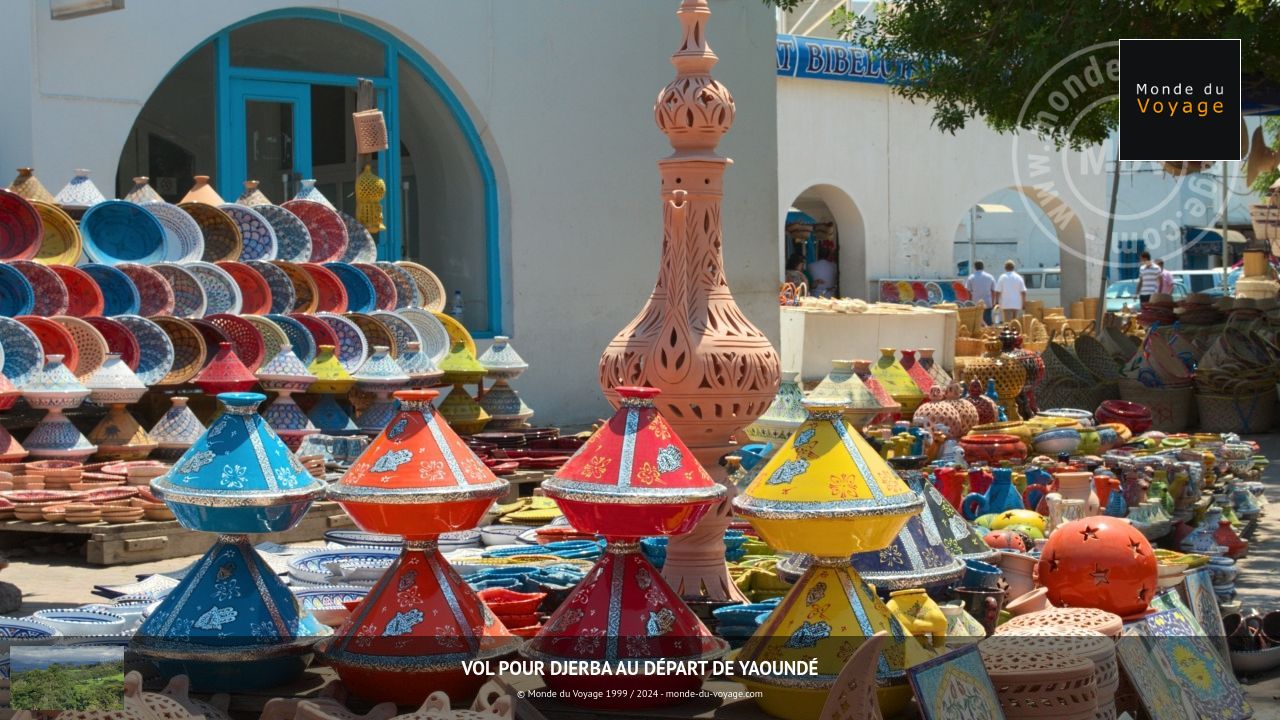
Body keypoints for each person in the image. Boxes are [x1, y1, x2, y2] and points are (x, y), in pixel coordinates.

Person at [965, 261, 996, 325]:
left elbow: (968, 292)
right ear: (983, 267)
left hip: (975, 304)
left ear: (975, 267)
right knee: (988, 323)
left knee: (977, 324)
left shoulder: (971, 278)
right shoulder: (990, 277)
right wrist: (993, 302)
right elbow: (993, 291)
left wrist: (969, 303)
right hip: (987, 303)